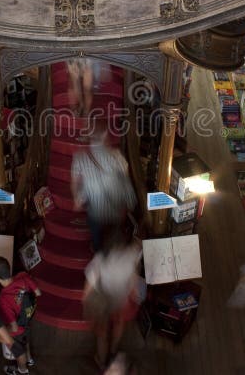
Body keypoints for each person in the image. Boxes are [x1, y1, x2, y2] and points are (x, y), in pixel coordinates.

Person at [82, 230, 143, 370]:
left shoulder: (100, 259)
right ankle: (113, 350)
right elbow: (133, 281)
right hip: (120, 298)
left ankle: (101, 361)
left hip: (103, 300)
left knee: (102, 334)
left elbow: (89, 284)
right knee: (119, 323)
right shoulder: (130, 256)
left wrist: (85, 300)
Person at [71, 128, 137, 251]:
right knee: (114, 235)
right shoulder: (117, 156)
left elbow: (78, 183)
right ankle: (111, 253)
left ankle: (97, 251)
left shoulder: (81, 158)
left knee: (96, 234)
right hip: (115, 207)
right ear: (106, 139)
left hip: (95, 210)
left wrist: (78, 199)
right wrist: (130, 201)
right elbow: (125, 180)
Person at [0, 256, 41, 375]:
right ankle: (29, 360)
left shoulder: (4, 299)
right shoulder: (23, 276)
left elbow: (14, 328)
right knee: (25, 341)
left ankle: (22, 370)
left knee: (18, 352)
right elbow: (38, 293)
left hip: (17, 331)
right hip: (27, 320)